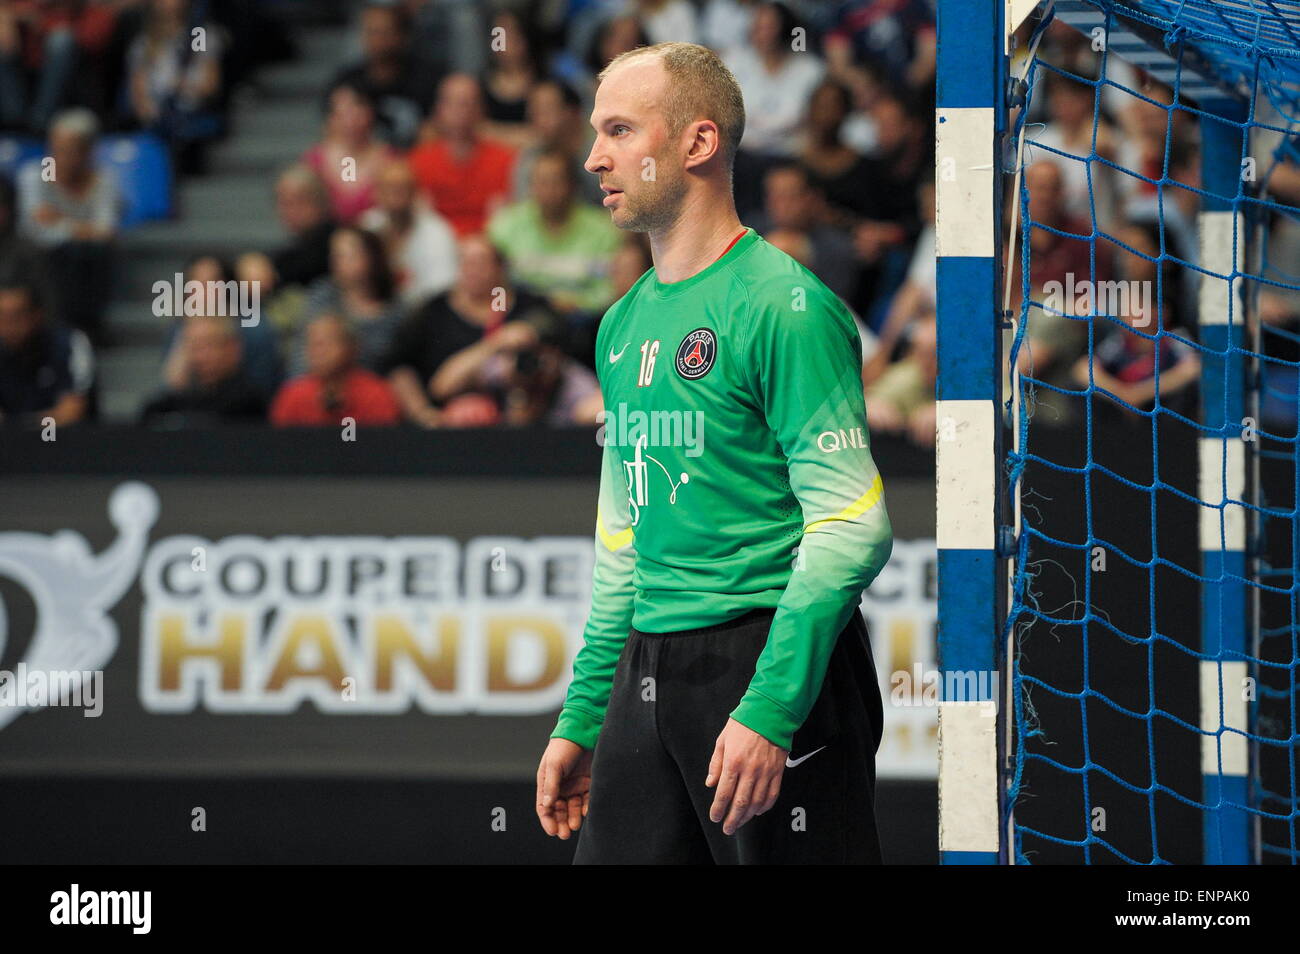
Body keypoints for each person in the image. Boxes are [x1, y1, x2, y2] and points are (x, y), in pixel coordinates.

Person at [535, 41, 893, 864]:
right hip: (647, 671)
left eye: (620, 131)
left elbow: (851, 528)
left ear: (697, 144)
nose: (594, 158)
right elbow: (623, 544)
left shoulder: (787, 306)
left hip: (769, 658)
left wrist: (771, 708)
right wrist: (587, 716)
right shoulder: (620, 326)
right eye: (596, 132)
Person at [270, 313, 401, 427]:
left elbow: (385, 445)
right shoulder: (293, 397)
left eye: (325, 343)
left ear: (351, 347)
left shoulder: (375, 396)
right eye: (312, 343)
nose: (317, 351)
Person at [0, 275, 93, 427]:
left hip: (67, 443)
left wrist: (17, 424)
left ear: (36, 315)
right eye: (2, 317)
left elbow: (72, 411)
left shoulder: (68, 344)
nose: (8, 326)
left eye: (16, 317)